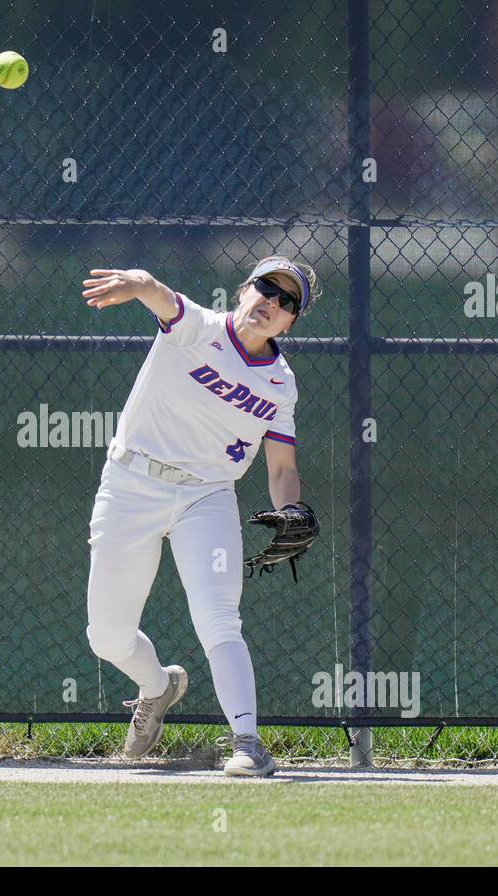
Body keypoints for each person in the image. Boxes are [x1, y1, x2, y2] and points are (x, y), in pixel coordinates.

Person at [81, 256, 320, 777]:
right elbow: (159, 294)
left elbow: (282, 467)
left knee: (218, 617)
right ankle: (158, 685)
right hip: (131, 483)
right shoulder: (199, 328)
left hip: (207, 496)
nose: (273, 303)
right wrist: (138, 282)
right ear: (244, 290)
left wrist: (291, 509)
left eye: (287, 302)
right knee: (106, 637)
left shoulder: (280, 383)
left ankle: (248, 743)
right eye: (267, 289)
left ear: (291, 322)